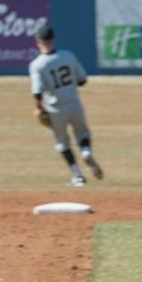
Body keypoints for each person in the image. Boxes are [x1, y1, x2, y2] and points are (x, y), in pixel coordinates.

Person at [28, 24, 103, 188]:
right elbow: (82, 80)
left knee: (62, 143)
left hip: (55, 108)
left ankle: (78, 176)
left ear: (38, 41)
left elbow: (37, 91)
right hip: (74, 103)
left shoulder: (37, 64)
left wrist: (39, 107)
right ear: (53, 39)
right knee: (82, 133)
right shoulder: (68, 56)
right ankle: (86, 152)